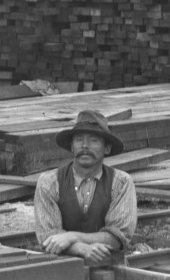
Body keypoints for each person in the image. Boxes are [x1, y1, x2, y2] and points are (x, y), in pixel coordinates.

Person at [34, 110, 138, 265]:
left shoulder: (121, 183)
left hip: (108, 269)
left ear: (107, 148)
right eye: (79, 140)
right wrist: (81, 249)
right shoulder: (49, 182)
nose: (85, 146)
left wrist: (71, 237)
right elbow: (49, 237)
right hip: (60, 269)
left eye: (94, 140)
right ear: (71, 146)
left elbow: (117, 237)